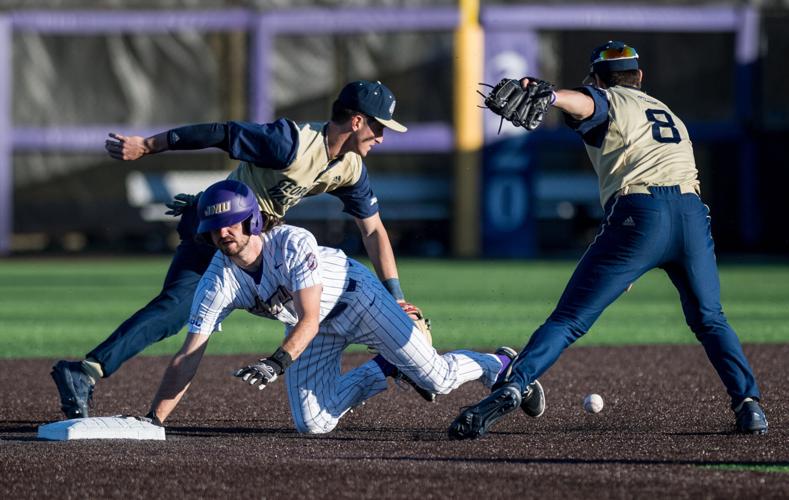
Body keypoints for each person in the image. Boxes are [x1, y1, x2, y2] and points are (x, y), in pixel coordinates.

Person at [448, 41, 768, 439]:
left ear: (596, 79)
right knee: (710, 318)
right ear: (640, 76)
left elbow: (588, 104)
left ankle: (515, 384)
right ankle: (749, 405)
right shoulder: (668, 113)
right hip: (691, 216)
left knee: (569, 320)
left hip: (641, 215)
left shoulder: (607, 99)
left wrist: (551, 95)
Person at [52, 80, 427, 419]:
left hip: (246, 240)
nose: (382, 137)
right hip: (218, 232)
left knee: (176, 310)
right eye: (379, 127)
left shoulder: (350, 167)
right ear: (357, 121)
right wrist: (147, 146)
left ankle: (86, 371)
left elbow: (373, 230)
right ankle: (89, 373)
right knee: (177, 309)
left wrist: (395, 297)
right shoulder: (290, 144)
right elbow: (221, 133)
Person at [143, 179, 538, 434]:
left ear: (253, 222)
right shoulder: (218, 279)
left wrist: (276, 362)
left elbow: (309, 319)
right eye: (214, 228)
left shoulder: (292, 243)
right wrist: (154, 419)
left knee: (438, 379)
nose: (223, 232)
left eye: (232, 222)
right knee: (313, 423)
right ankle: (384, 366)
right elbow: (189, 354)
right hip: (311, 327)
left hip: (358, 299)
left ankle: (498, 363)